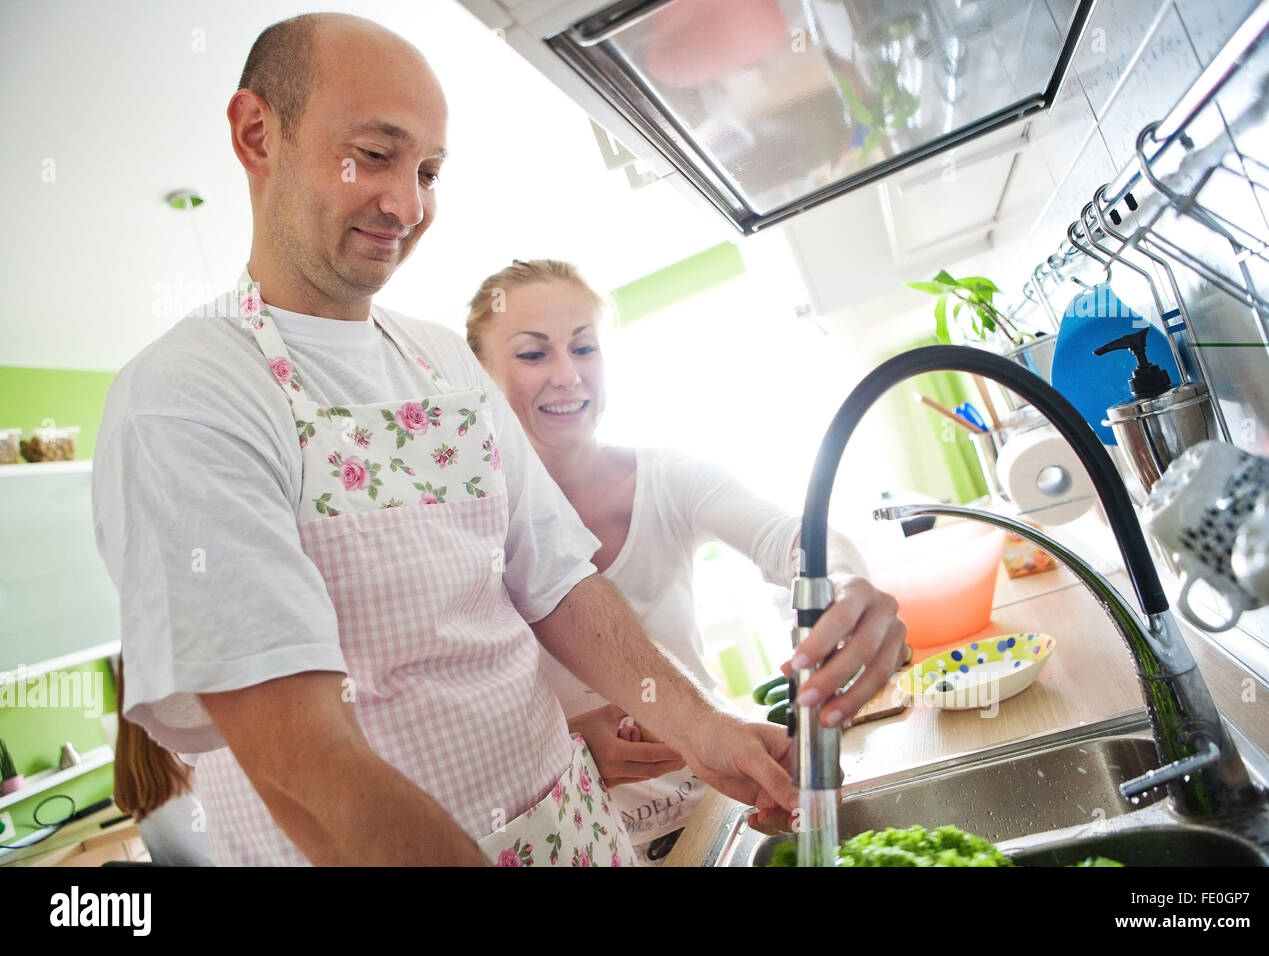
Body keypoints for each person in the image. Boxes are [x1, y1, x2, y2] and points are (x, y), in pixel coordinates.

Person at [92, 12, 906, 867]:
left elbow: (556, 583)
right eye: (374, 155)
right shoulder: (187, 397)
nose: (407, 205)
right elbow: (306, 770)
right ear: (258, 133)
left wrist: (705, 728)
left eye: (429, 171)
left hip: (577, 834)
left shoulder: (440, 359)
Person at [466, 260, 907, 861]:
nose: (568, 376)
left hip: (724, 801)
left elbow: (791, 540)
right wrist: (561, 744)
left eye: (584, 347)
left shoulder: (668, 479)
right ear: (481, 377)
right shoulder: (473, 528)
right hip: (586, 839)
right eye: (533, 355)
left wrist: (845, 582)